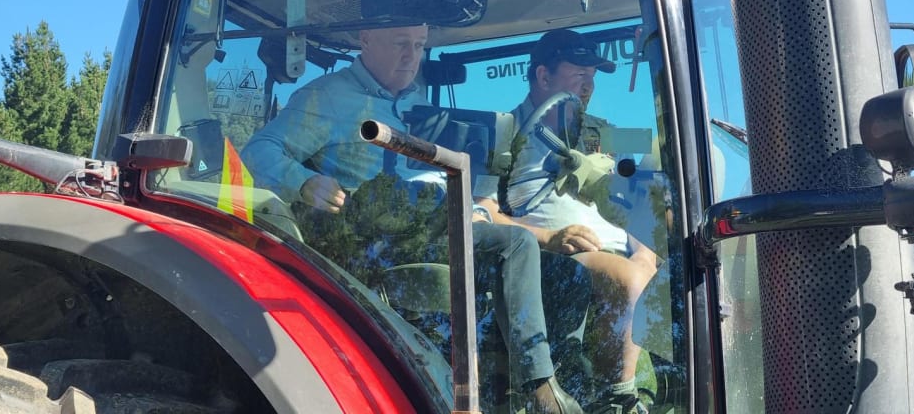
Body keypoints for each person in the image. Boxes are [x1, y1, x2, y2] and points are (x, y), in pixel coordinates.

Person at [243, 24, 584, 414]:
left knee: (567, 272)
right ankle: (540, 388)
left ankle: (559, 380)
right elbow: (258, 150)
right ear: (365, 39)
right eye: (401, 44)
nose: (412, 56)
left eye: (420, 45)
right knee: (517, 243)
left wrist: (473, 212)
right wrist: (304, 183)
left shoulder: (418, 104)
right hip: (378, 240)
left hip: (435, 225)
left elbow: (442, 176)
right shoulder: (328, 97)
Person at [474, 28, 659, 414]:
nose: (589, 86)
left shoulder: (602, 131)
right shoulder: (502, 133)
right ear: (544, 77)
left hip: (623, 246)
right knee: (629, 280)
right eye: (579, 75)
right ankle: (619, 399)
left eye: (592, 76)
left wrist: (646, 249)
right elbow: (484, 211)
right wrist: (547, 237)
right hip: (553, 256)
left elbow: (659, 159)